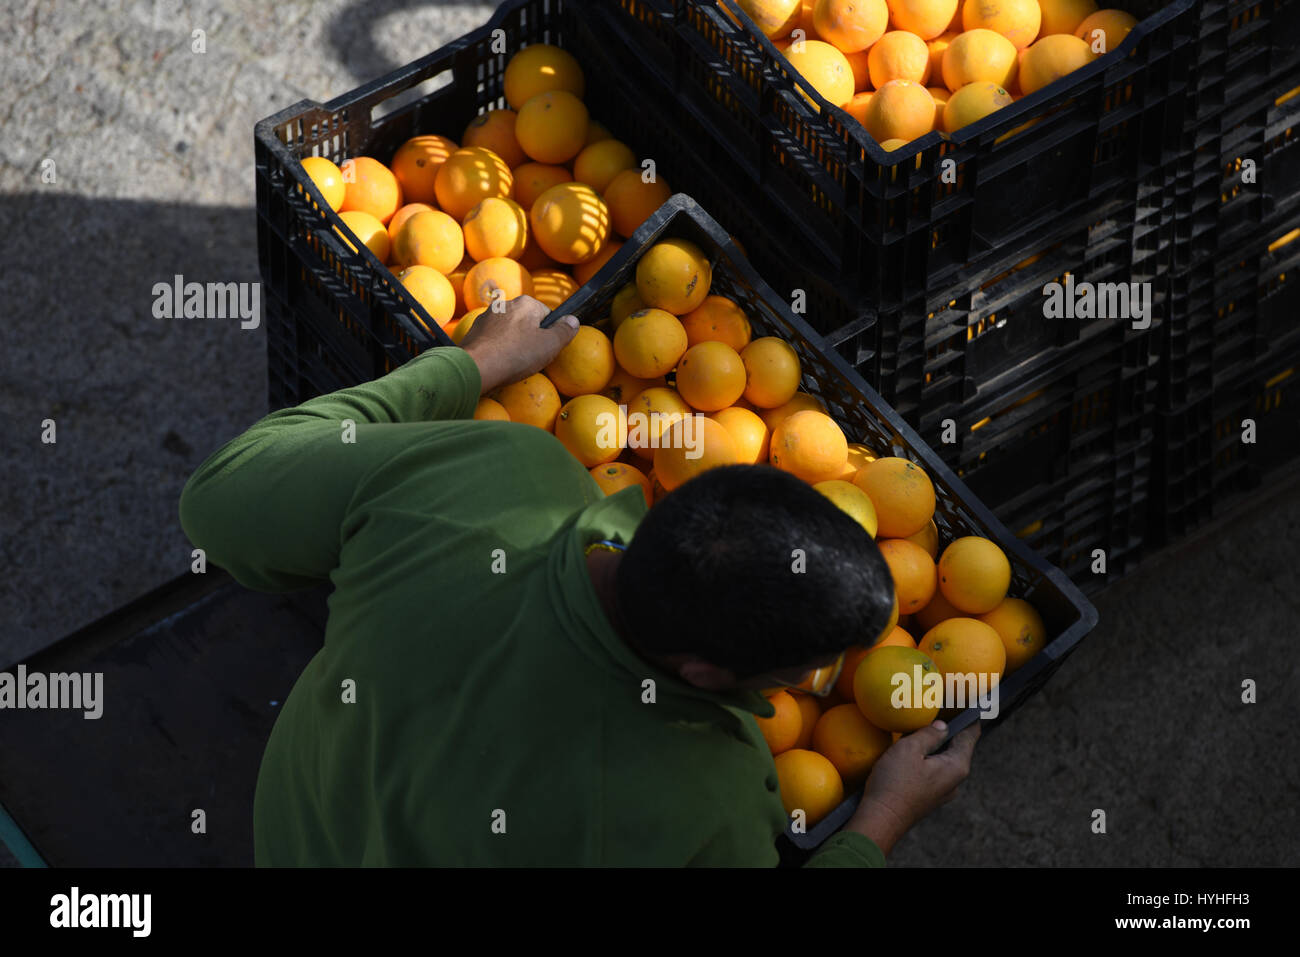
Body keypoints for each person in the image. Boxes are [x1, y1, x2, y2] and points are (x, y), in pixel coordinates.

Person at [179, 296, 979, 866]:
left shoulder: (490, 474)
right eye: (795, 670)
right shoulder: (702, 803)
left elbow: (218, 498)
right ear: (701, 673)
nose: (813, 679)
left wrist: (469, 364)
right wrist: (878, 824)